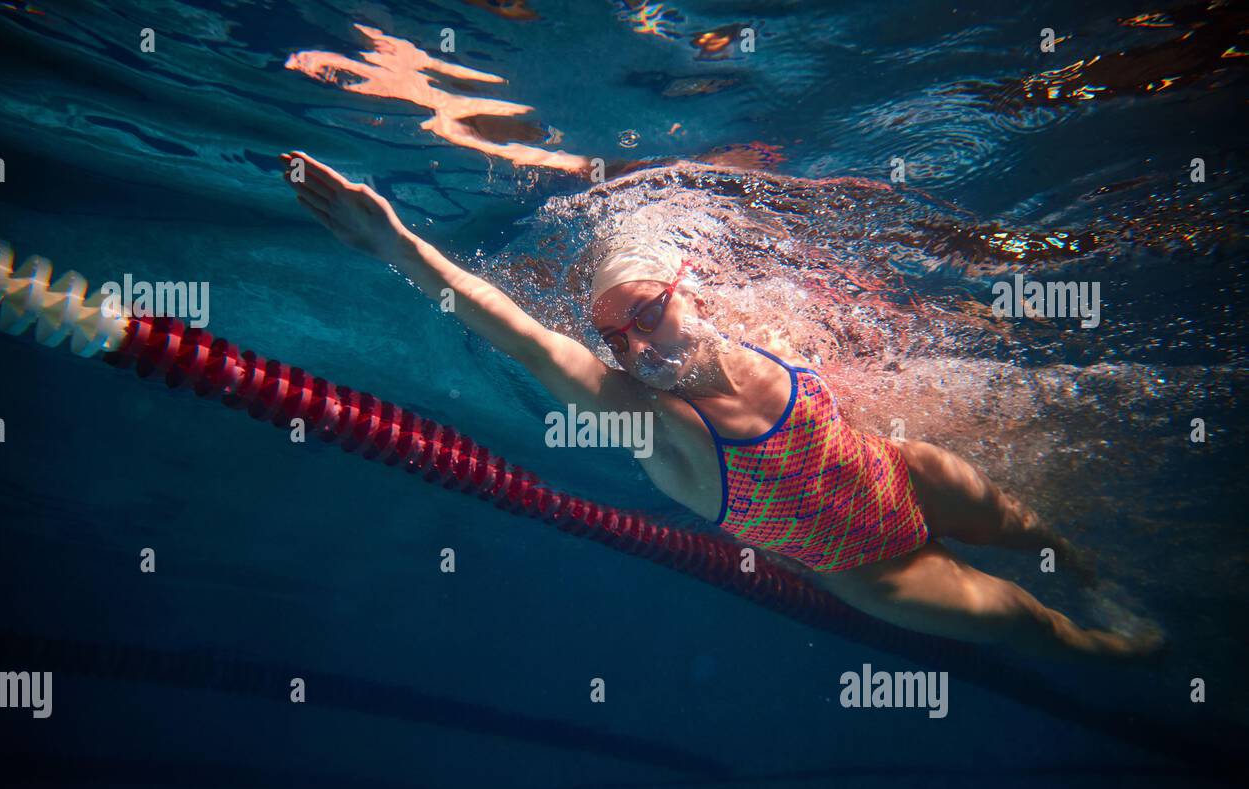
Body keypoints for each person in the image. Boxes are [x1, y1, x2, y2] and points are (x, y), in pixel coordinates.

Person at [280, 150, 1162, 658]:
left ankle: (1094, 574)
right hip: (876, 569)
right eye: (618, 336)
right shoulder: (664, 433)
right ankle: (1120, 647)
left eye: (650, 311)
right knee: (1027, 622)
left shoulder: (753, 329)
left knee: (1027, 525)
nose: (639, 343)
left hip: (907, 475)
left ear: (690, 289)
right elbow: (518, 334)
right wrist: (395, 245)